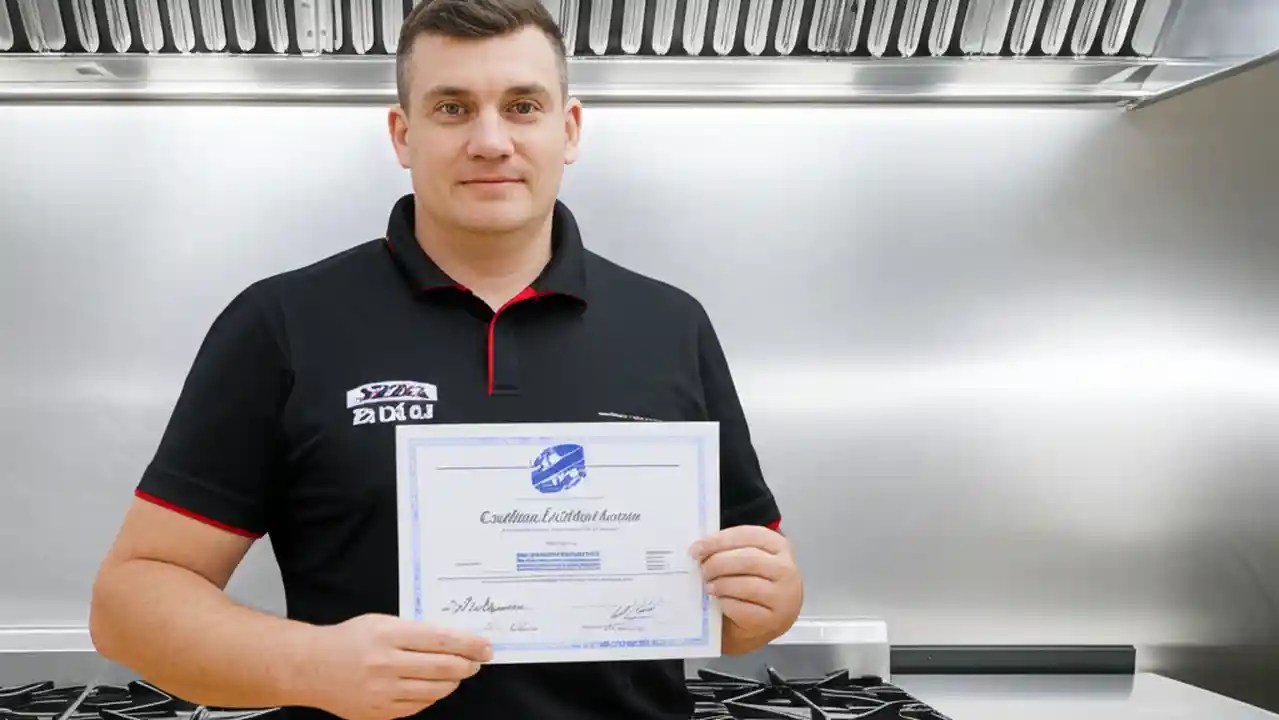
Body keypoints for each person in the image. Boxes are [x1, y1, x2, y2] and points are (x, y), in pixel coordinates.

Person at [88, 1, 804, 718]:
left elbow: (735, 608)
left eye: (522, 106)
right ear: (404, 135)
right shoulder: (282, 323)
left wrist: (769, 603)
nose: (490, 141)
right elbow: (129, 602)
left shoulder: (671, 324)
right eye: (453, 108)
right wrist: (309, 665)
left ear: (569, 129)